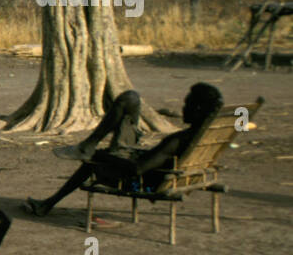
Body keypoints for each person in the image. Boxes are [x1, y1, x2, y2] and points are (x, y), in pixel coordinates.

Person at [24, 83, 224, 217]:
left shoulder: (177, 141)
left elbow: (137, 169)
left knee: (92, 163)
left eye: (187, 104)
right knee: (130, 98)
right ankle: (87, 146)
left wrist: (105, 157)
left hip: (140, 182)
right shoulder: (208, 135)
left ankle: (48, 203)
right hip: (149, 165)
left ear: (198, 109)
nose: (183, 109)